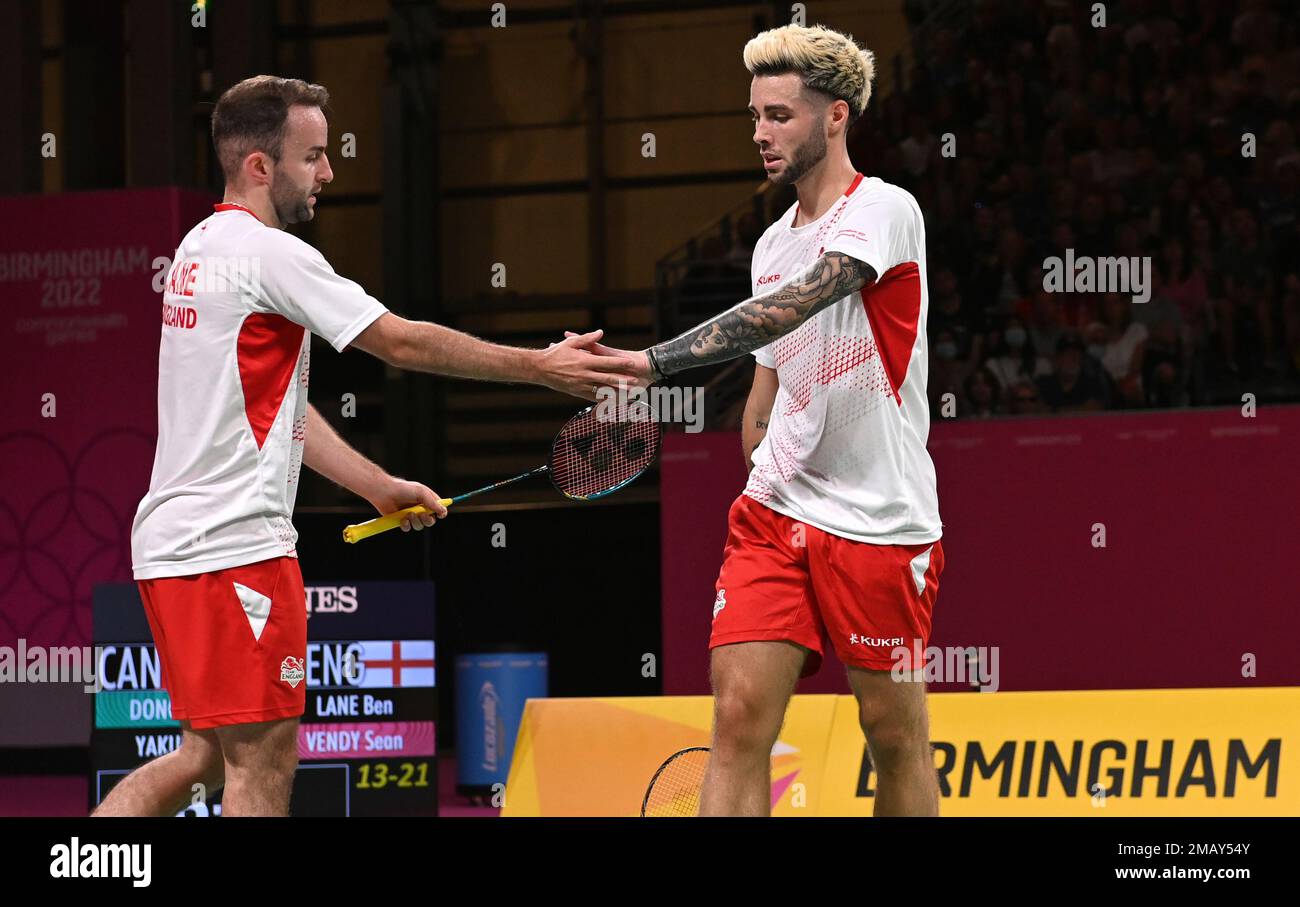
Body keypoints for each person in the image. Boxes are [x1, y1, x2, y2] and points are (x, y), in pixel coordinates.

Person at [94, 76, 640, 818]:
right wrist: (539, 366)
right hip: (234, 548)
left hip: (175, 543)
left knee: (204, 757)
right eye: (312, 156)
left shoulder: (199, 248)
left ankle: (83, 862)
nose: (328, 172)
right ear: (260, 166)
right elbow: (401, 341)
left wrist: (376, 482)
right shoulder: (269, 255)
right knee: (261, 760)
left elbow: (275, 407)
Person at [591, 24, 945, 816]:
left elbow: (801, 299)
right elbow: (766, 390)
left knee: (894, 735)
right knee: (738, 715)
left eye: (779, 115)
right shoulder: (768, 245)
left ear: (836, 116)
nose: (760, 133)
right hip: (775, 514)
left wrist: (654, 361)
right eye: (754, 115)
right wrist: (762, 461)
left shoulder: (885, 210)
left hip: (879, 523)